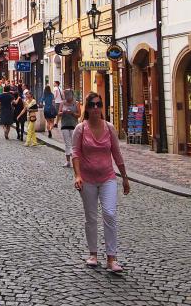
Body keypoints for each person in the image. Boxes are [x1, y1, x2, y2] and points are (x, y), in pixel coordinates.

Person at [72, 92, 129, 274]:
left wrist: (125, 178)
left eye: (99, 104)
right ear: (87, 109)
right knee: (91, 218)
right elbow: (75, 153)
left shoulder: (109, 128)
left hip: (107, 178)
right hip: (87, 179)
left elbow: (117, 154)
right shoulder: (80, 129)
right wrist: (77, 175)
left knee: (110, 214)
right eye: (92, 105)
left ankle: (111, 258)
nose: (96, 108)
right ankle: (93, 254)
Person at [58, 89, 80, 168]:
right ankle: (68, 161)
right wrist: (63, 112)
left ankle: (75, 161)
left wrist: (72, 113)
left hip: (74, 125)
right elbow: (58, 113)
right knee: (67, 144)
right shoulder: (62, 103)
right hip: (64, 125)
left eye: (67, 94)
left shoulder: (76, 103)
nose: (66, 96)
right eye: (65, 95)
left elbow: (79, 115)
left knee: (74, 144)